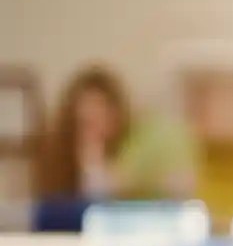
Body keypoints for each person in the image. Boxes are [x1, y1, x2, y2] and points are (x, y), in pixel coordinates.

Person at [37, 64, 197, 207]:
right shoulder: (63, 156)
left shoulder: (145, 139)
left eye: (101, 115)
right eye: (85, 123)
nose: (95, 129)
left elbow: (105, 190)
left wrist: (93, 161)